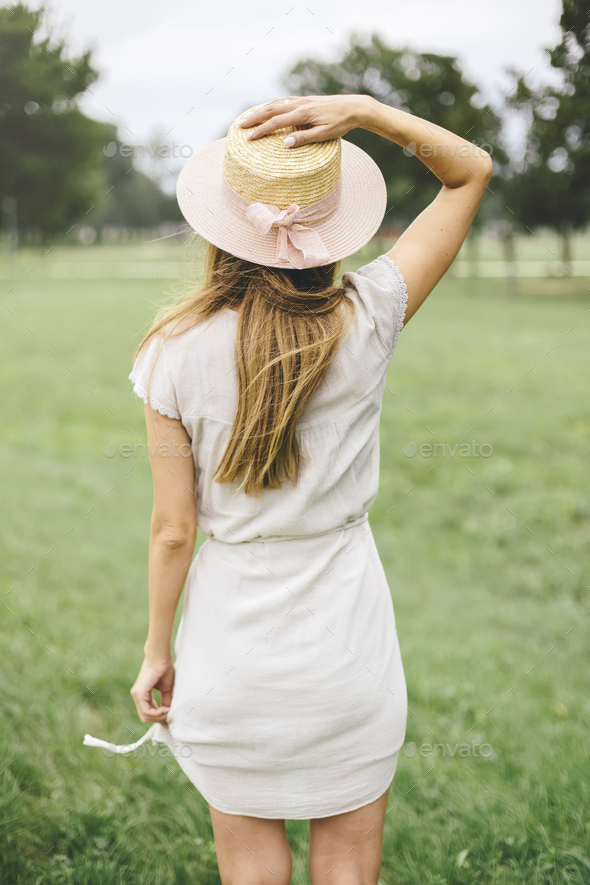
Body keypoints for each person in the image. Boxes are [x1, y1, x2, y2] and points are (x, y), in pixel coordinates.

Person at [83, 94, 492, 884]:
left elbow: (174, 529)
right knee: (346, 858)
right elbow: (469, 171)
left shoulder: (169, 351)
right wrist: (370, 113)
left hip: (231, 655)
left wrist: (156, 651)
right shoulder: (372, 313)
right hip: (348, 655)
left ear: (222, 227)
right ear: (334, 223)